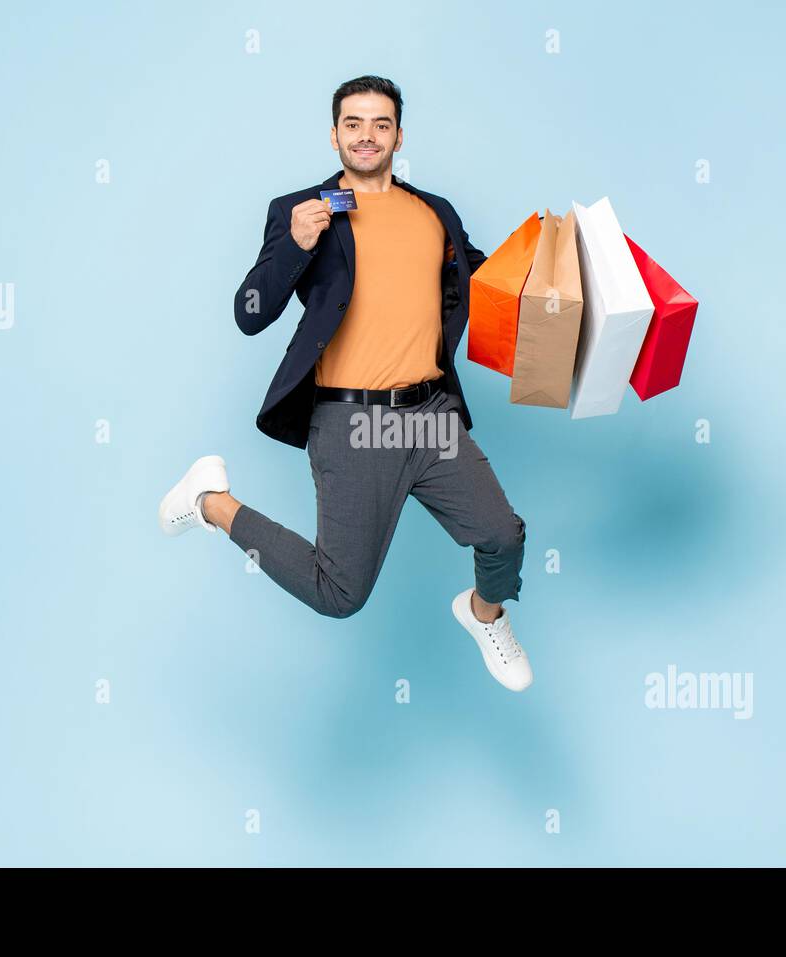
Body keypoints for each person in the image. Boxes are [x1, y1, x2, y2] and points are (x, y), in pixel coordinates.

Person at [158, 76, 531, 691]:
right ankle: (212, 503)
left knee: (502, 535)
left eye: (380, 124)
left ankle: (483, 613)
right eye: (353, 124)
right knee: (340, 595)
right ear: (334, 134)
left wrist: (563, 289)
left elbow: (492, 285)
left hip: (430, 413)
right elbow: (249, 313)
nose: (366, 136)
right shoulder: (300, 210)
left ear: (399, 136)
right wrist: (296, 249)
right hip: (351, 421)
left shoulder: (435, 213)